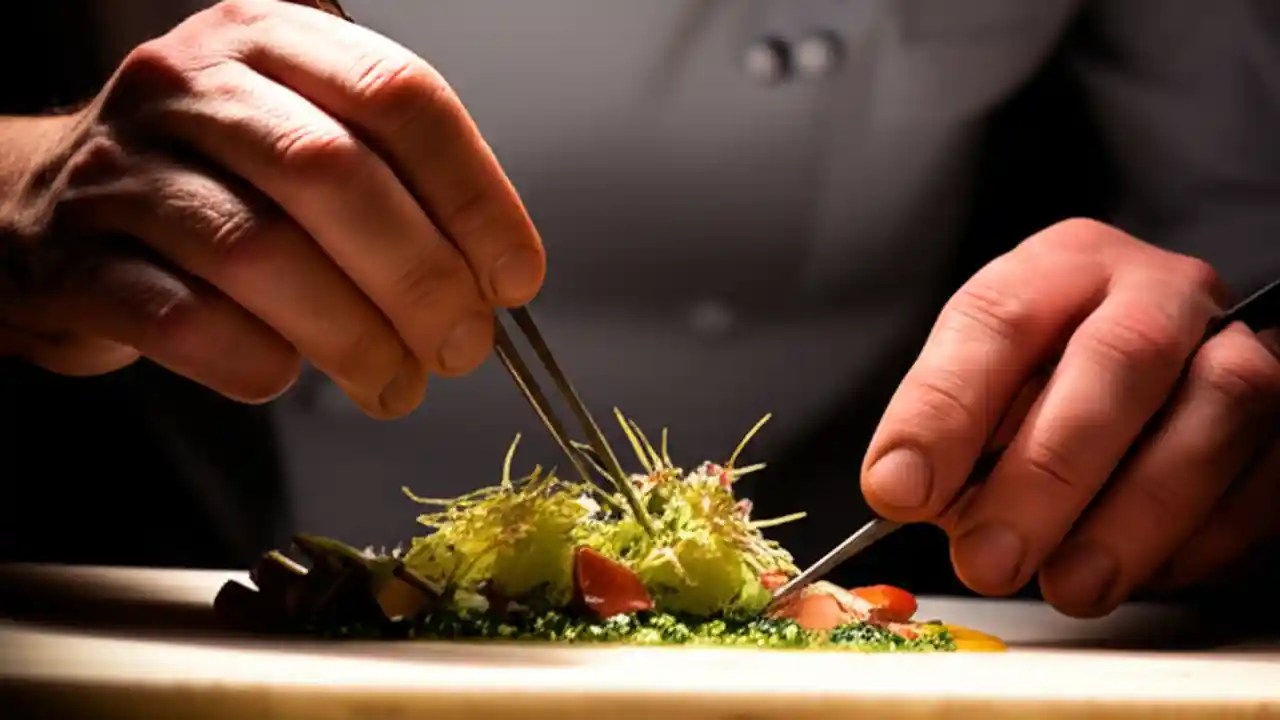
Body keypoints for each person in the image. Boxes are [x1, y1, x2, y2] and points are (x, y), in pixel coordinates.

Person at [1, 0, 1276, 620]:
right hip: (198, 537)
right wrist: (25, 191)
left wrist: (1213, 376)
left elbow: (1237, 195)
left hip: (886, 559)